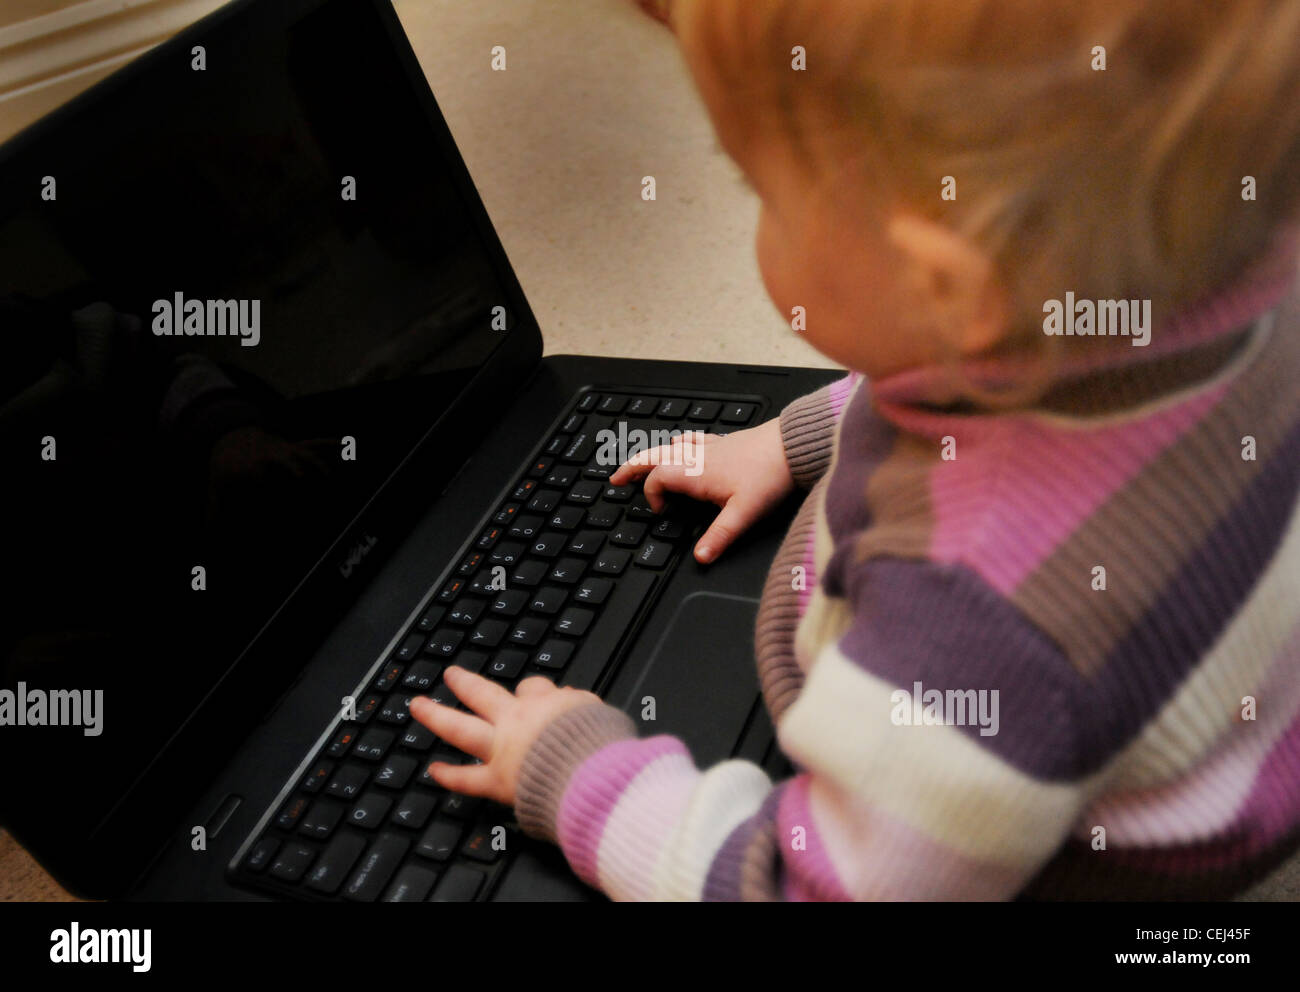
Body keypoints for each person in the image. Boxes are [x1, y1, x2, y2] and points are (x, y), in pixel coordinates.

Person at [410, 0, 1300, 899]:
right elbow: (978, 379)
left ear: (946, 288)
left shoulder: (978, 625)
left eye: (761, 194)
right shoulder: (1204, 282)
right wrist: (789, 441)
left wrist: (579, 779)